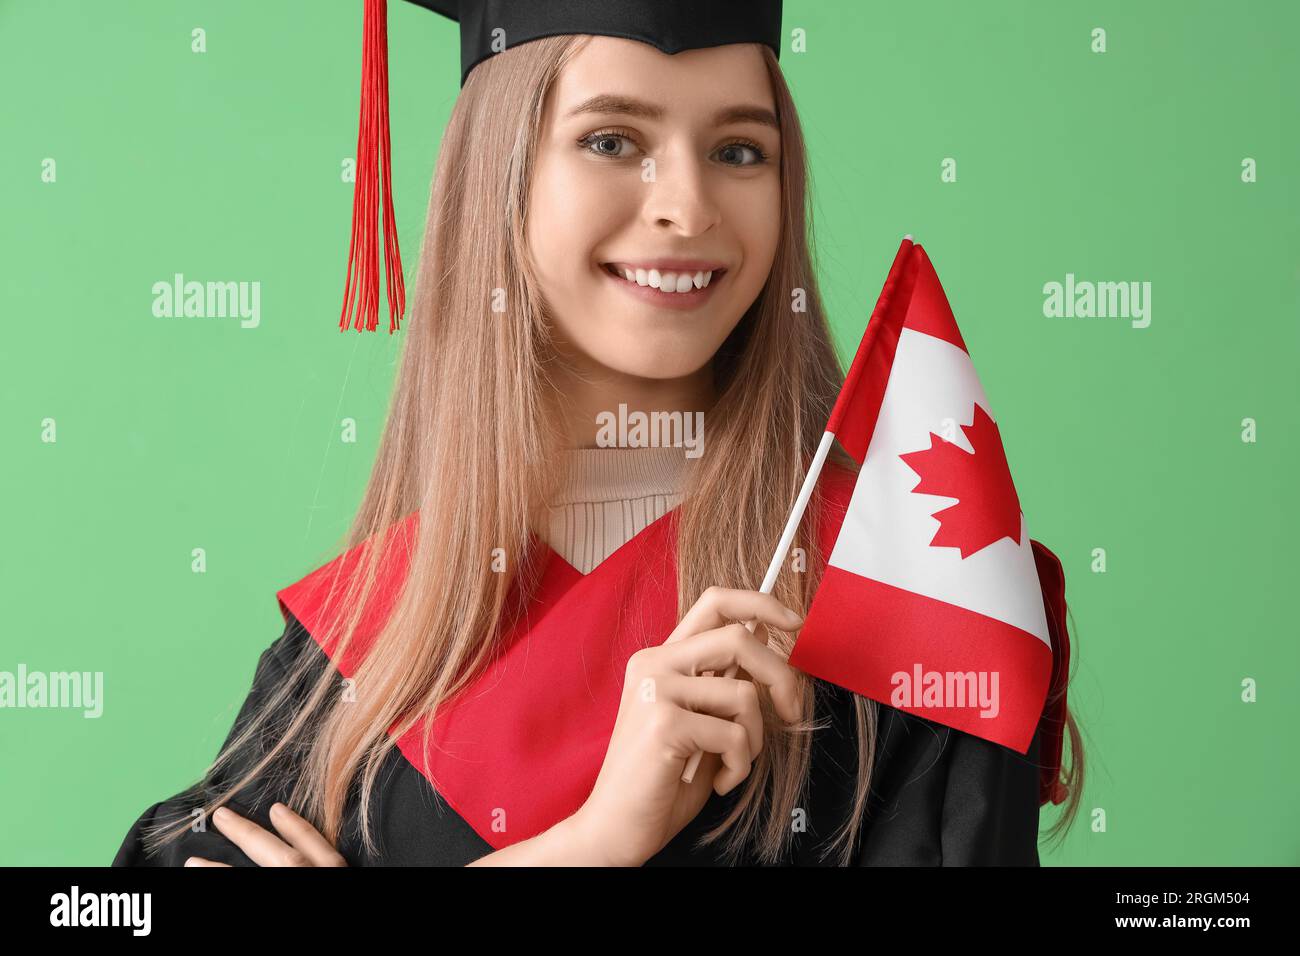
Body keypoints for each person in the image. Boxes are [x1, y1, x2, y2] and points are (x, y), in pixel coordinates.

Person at [112, 0, 1082, 867]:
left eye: (739, 150)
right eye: (613, 140)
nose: (687, 206)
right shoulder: (359, 650)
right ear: (500, 176)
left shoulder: (892, 607)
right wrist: (594, 841)